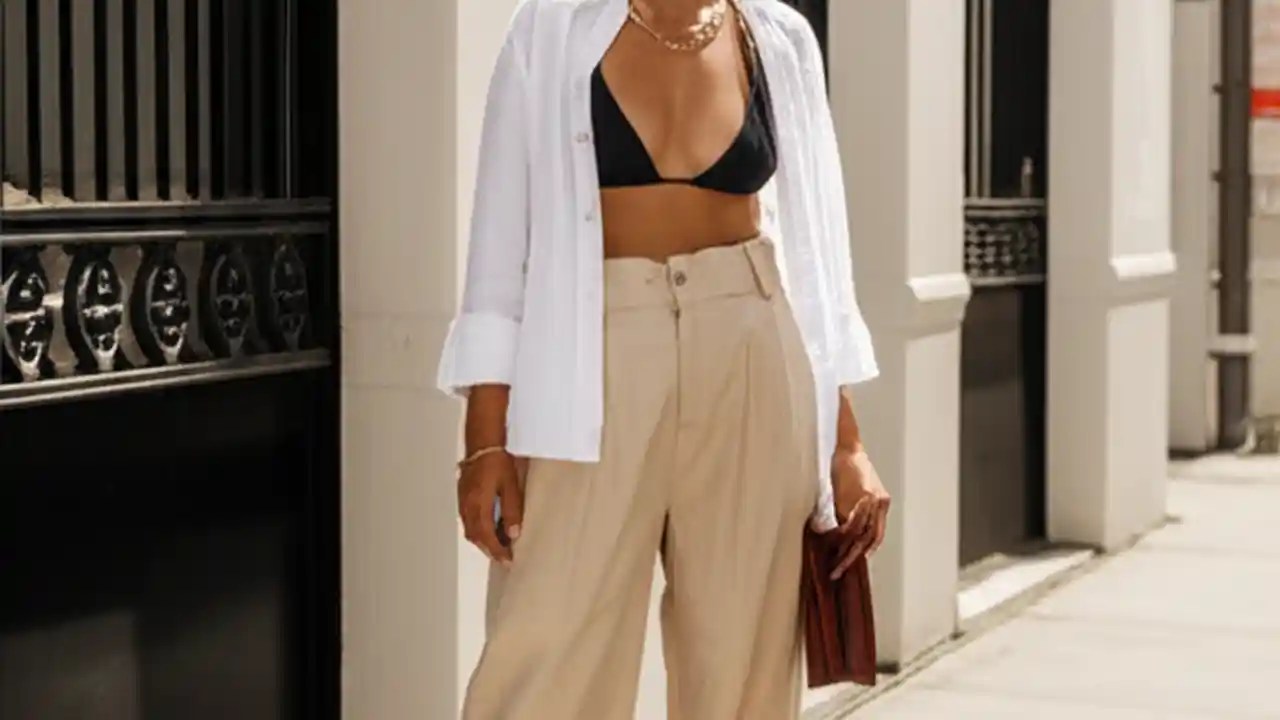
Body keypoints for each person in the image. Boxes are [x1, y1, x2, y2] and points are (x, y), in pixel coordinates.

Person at [437, 0, 891, 717]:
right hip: (589, 351)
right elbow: (499, 236)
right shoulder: (551, 26)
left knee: (744, 662)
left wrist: (846, 441)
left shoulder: (776, 36)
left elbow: (815, 255)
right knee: (547, 653)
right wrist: (485, 434)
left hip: (750, 339)